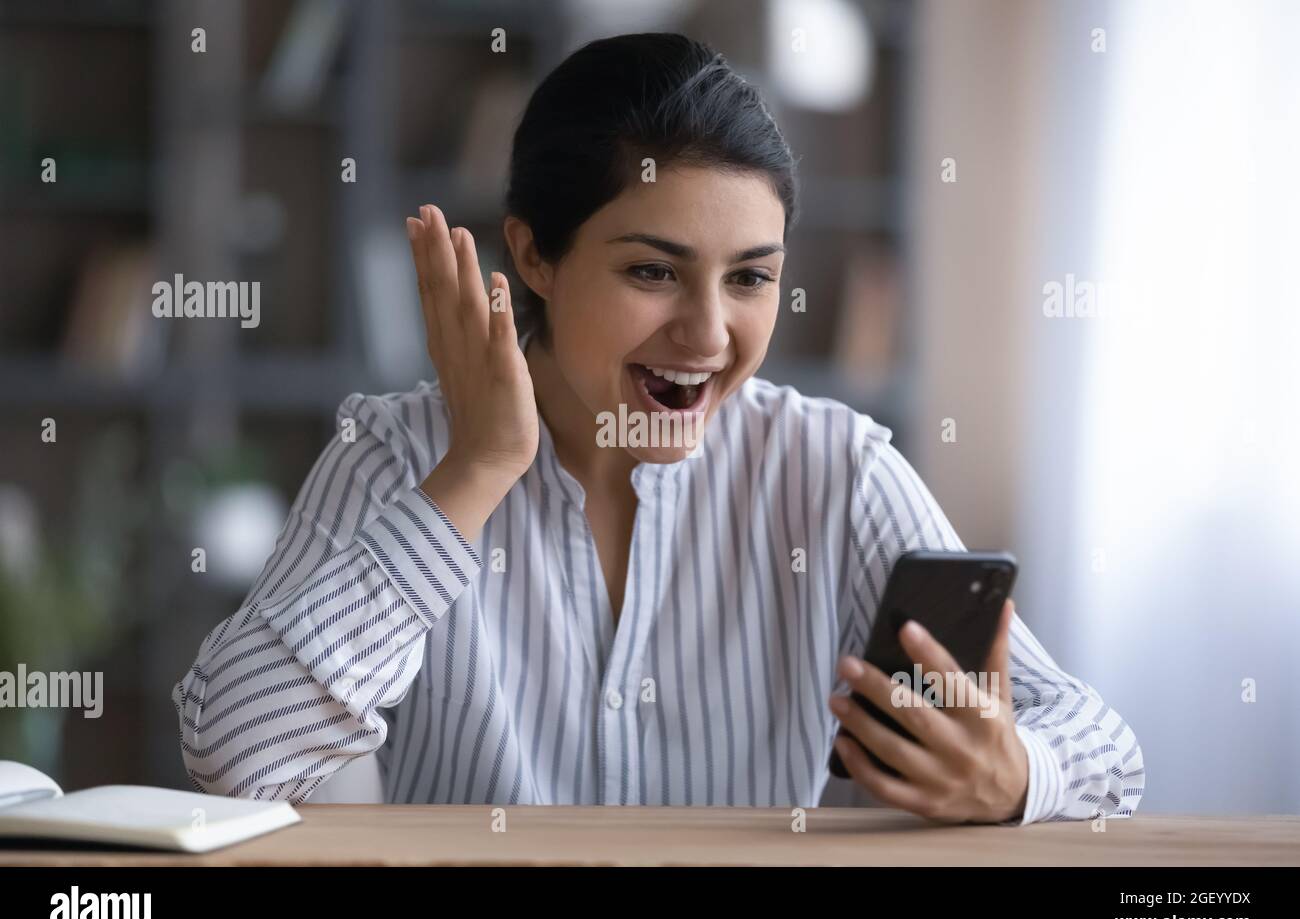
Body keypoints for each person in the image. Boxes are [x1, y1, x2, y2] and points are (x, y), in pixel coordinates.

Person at [173, 32, 1144, 823]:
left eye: (750, 276)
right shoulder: (402, 452)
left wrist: (1015, 774)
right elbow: (238, 751)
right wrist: (476, 470)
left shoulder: (830, 470)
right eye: (652, 271)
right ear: (536, 256)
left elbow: (1105, 749)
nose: (709, 333)